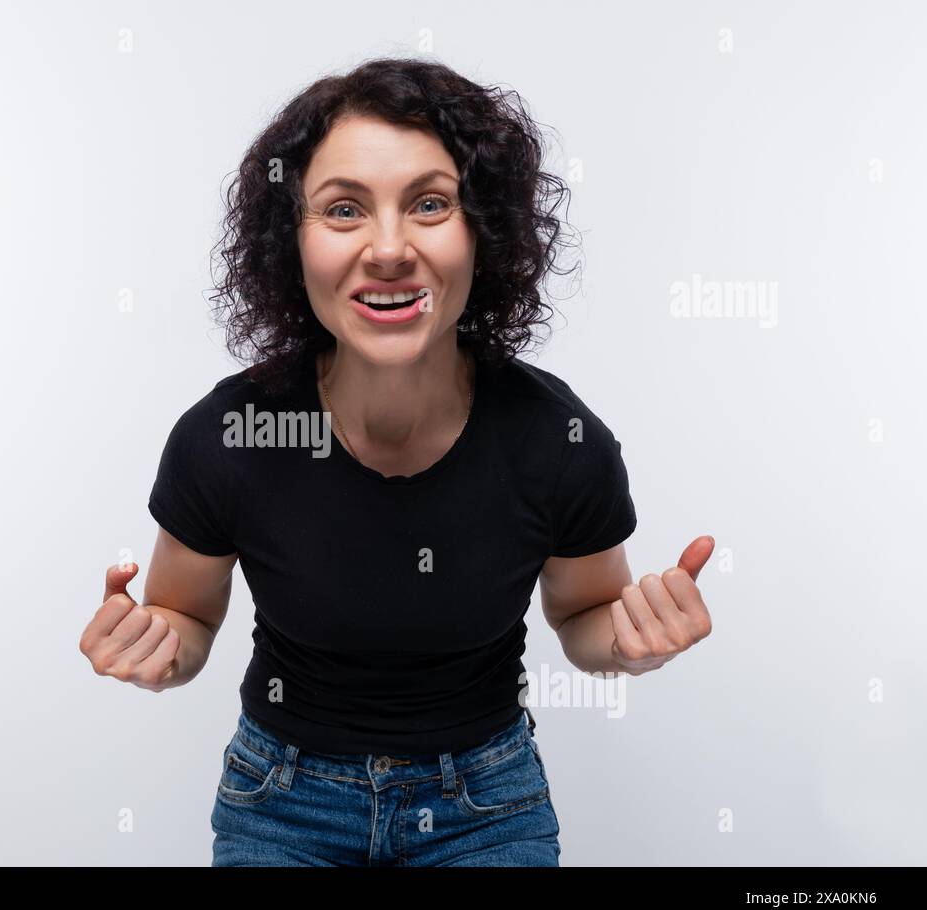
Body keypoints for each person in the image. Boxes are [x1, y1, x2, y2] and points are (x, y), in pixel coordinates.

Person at [79, 56, 714, 866]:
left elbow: (583, 618)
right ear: (291, 242)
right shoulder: (228, 435)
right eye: (344, 209)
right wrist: (153, 645)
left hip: (487, 806)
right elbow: (189, 618)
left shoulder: (557, 440)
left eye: (429, 205)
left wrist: (631, 641)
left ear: (483, 228)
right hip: (281, 803)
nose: (388, 248)